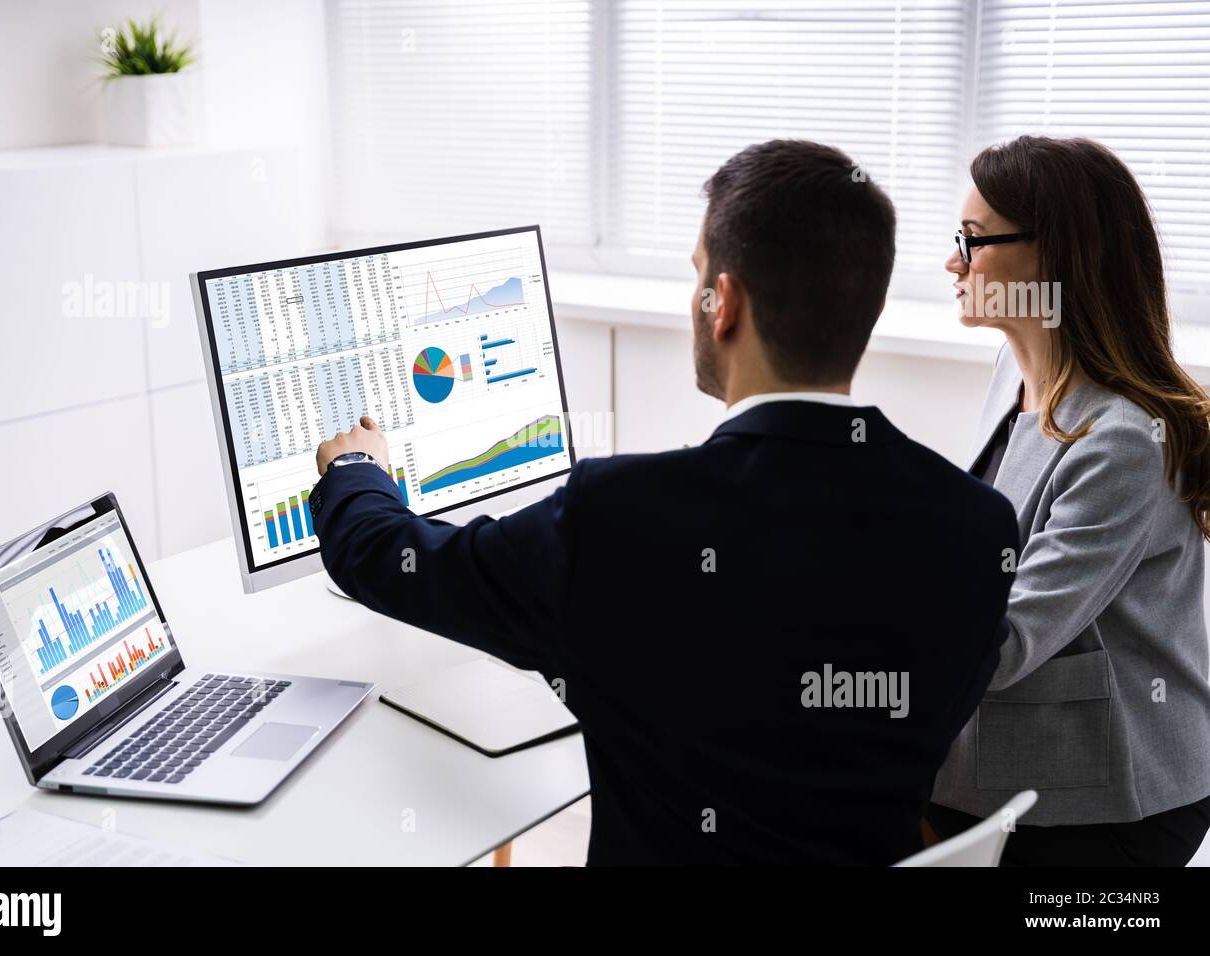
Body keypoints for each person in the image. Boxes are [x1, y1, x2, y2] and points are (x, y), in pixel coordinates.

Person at [310, 139, 1018, 865]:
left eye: (697, 276)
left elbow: (397, 563)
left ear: (725, 304)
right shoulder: (976, 528)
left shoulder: (621, 516)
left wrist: (358, 471)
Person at [929, 135, 1210, 866]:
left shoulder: (1122, 442)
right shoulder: (1013, 371)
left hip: (1111, 794)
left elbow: (1007, 639)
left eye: (975, 241)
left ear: (1054, 256)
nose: (954, 261)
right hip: (1009, 743)